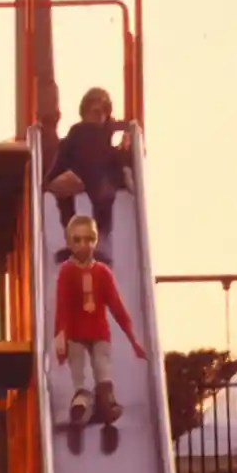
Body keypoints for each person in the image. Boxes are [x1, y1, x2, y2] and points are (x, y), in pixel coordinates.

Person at [54, 215, 146, 425]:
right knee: (80, 371)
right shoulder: (66, 272)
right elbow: (62, 307)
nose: (83, 245)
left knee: (102, 367)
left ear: (95, 241)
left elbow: (117, 307)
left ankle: (105, 402)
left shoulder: (103, 273)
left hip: (98, 333)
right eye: (77, 240)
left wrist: (133, 340)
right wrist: (60, 337)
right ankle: (82, 401)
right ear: (69, 242)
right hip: (75, 334)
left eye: (89, 239)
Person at [45, 87, 133, 264]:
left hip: (97, 179)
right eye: (95, 111)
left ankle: (93, 240)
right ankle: (80, 238)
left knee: (102, 190)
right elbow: (64, 158)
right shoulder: (79, 133)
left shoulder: (102, 138)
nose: (99, 117)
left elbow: (114, 159)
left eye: (103, 112)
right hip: (85, 176)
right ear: (85, 112)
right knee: (94, 189)